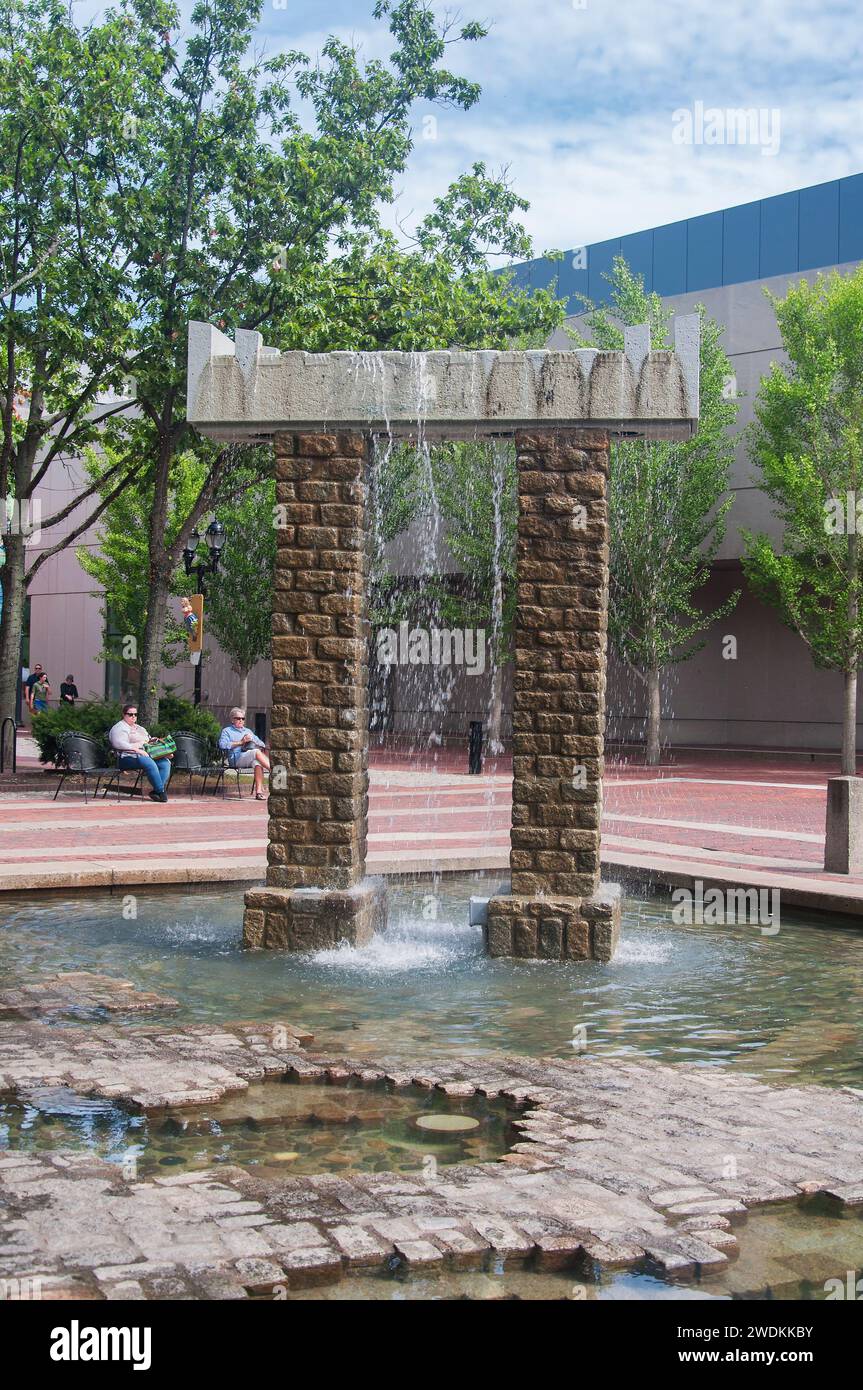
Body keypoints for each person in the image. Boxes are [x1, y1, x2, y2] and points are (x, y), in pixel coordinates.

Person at [108, 703, 173, 803]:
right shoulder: (119, 728)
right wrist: (137, 750)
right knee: (148, 762)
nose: (133, 717)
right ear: (123, 715)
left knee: (165, 762)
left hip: (147, 754)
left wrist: (161, 749)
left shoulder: (139, 728)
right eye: (130, 714)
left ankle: (156, 791)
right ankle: (161, 792)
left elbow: (148, 739)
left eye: (135, 714)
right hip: (126, 757)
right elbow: (119, 744)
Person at [219, 708, 270, 800]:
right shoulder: (227, 731)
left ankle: (259, 792)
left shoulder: (247, 731)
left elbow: (261, 744)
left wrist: (252, 740)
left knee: (257, 763)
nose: (241, 720)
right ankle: (273, 770)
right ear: (232, 720)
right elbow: (222, 745)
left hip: (249, 756)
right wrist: (241, 742)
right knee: (256, 752)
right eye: (238, 718)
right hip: (235, 758)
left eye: (243, 719)